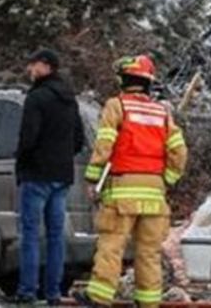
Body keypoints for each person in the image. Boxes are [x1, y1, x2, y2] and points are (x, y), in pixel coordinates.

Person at [77, 55, 187, 308]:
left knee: (111, 246)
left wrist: (93, 178)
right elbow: (179, 153)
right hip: (155, 195)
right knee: (149, 253)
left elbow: (104, 145)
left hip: (123, 192)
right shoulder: (162, 112)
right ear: (148, 83)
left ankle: (99, 297)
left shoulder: (117, 106)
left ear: (123, 81)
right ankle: (148, 302)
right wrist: (166, 179)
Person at [11, 49, 86, 305]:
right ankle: (53, 292)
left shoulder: (37, 98)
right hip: (62, 175)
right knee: (56, 236)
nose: (29, 70)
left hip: (37, 174)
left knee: (30, 234)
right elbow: (79, 139)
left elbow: (27, 138)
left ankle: (27, 291)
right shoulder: (69, 98)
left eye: (32, 65)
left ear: (45, 66)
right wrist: (61, 156)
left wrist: (22, 162)